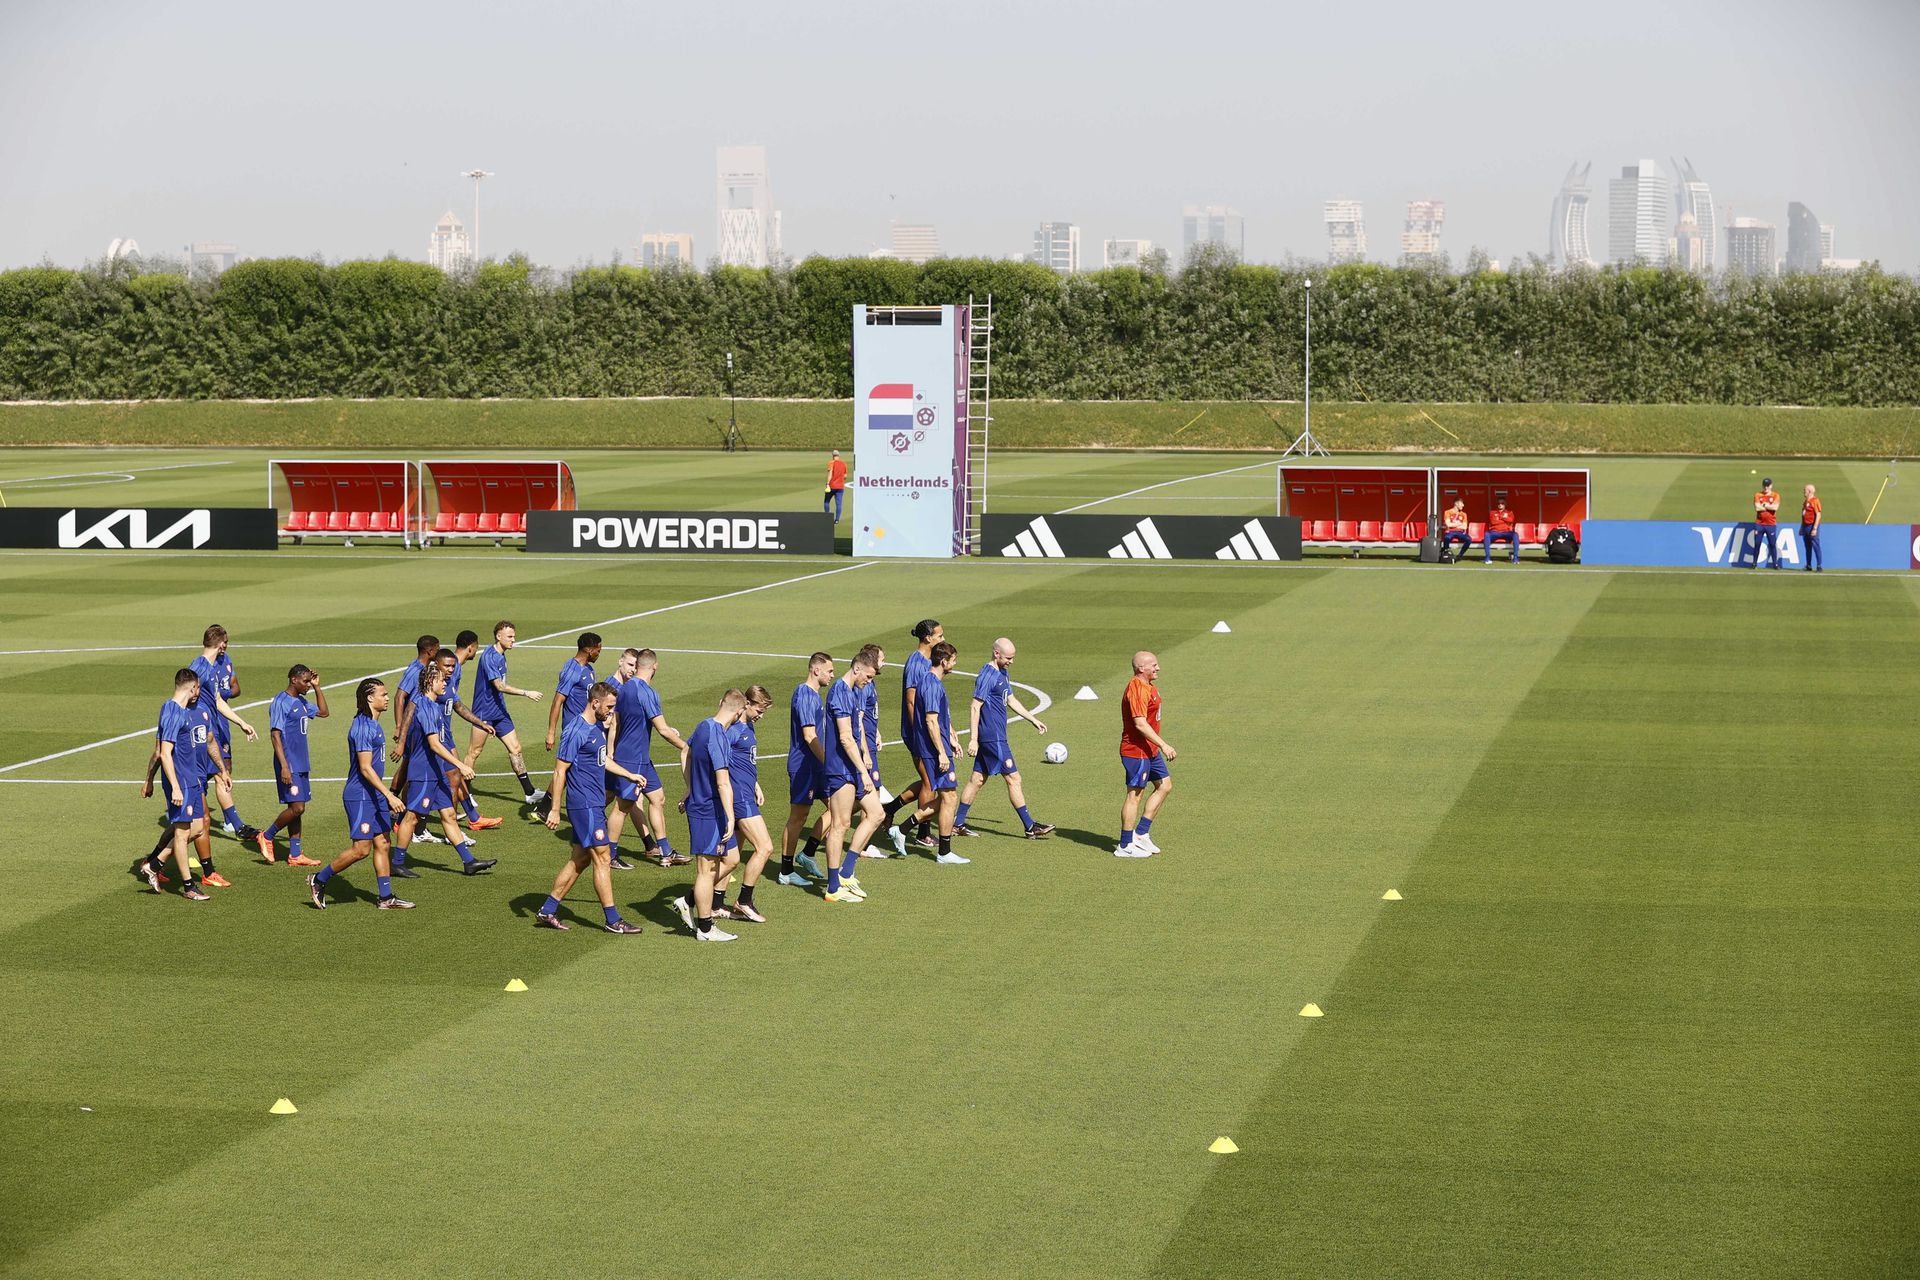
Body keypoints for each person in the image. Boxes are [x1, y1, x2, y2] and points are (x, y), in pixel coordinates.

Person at [536, 681, 646, 934]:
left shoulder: (595, 726)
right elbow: (559, 771)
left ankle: (548, 909)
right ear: (595, 702)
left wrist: (629, 775)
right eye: (609, 706)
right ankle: (613, 920)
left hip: (593, 801)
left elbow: (603, 759)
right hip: (583, 804)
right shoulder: (576, 730)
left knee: (581, 858)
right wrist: (554, 809)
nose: (611, 711)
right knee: (604, 857)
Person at [307, 677, 414, 910]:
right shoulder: (363, 727)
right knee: (361, 849)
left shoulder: (374, 724)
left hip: (373, 794)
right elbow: (365, 768)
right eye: (383, 695)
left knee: (383, 843)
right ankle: (319, 879)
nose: (387, 698)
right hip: (361, 795)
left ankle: (385, 898)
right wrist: (390, 795)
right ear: (369, 698)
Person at [390, 662, 494, 878]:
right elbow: (435, 744)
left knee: (448, 814)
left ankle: (469, 861)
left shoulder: (431, 704)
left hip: (435, 770)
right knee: (412, 817)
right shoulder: (425, 707)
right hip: (424, 773)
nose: (445, 682)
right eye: (441, 680)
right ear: (430, 682)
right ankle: (397, 863)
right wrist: (460, 765)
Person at [954, 638, 1055, 839]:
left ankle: (957, 824)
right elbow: (975, 706)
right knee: (1014, 778)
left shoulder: (1002, 672)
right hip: (993, 738)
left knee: (977, 779)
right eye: (1008, 658)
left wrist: (1033, 719)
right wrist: (973, 739)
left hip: (995, 736)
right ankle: (1029, 826)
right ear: (996, 653)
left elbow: (1010, 699)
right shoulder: (987, 675)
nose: (1011, 661)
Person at [130, 668, 217, 901]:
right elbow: (164, 753)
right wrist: (175, 787)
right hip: (181, 782)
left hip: (191, 779)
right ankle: (189, 887)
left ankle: (154, 865)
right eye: (197, 688)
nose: (199, 692)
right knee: (182, 833)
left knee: (197, 828)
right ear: (192, 688)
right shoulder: (173, 711)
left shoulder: (175, 710)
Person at [670, 691, 748, 941]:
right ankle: (705, 928)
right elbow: (723, 783)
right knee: (706, 869)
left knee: (732, 858)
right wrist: (731, 817)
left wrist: (690, 786)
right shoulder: (718, 738)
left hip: (707, 805)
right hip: (707, 810)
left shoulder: (704, 725)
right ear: (738, 713)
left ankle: (689, 900)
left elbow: (686, 753)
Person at [606, 648, 691, 869]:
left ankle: (665, 851)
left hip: (638, 757)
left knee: (658, 798)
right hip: (632, 759)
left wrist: (611, 751)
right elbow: (662, 729)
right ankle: (610, 856)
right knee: (623, 806)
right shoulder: (647, 692)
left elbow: (616, 723)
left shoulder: (623, 689)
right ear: (655, 666)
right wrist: (687, 747)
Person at [781, 652, 856, 899]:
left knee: (840, 808)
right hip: (805, 766)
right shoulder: (804, 694)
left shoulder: (814, 696)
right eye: (830, 671)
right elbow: (809, 735)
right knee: (799, 816)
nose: (832, 675)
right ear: (816, 670)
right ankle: (786, 869)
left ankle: (809, 852)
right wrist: (828, 761)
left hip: (819, 766)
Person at [190, 624, 261, 843]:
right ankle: (158, 859)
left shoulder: (210, 669)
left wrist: (242, 722)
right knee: (199, 795)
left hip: (210, 733)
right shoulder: (199, 668)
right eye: (226, 643)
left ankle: (237, 826)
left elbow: (218, 701)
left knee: (222, 775)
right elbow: (184, 698)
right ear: (221, 644)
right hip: (199, 737)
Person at [465, 620, 546, 811]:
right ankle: (465, 794)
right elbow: (499, 686)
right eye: (509, 636)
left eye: (514, 636)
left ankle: (529, 792)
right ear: (498, 636)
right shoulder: (489, 657)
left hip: (500, 712)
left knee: (515, 748)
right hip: (484, 712)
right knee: (474, 752)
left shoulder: (501, 656)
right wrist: (526, 693)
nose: (513, 640)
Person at [821, 651, 880, 897]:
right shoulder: (840, 692)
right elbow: (845, 737)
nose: (868, 681)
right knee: (840, 825)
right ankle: (833, 888)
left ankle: (846, 872)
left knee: (877, 814)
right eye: (867, 676)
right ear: (856, 669)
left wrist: (866, 754)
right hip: (840, 769)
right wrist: (863, 772)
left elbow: (857, 731)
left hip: (853, 767)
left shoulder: (855, 692)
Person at [714, 685, 775, 923]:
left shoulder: (748, 725)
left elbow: (744, 761)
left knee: (732, 856)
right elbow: (720, 763)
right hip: (739, 798)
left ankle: (717, 903)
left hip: (746, 793)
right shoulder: (733, 730)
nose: (761, 715)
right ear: (746, 704)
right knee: (765, 847)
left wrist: (756, 784)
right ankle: (744, 900)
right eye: (759, 709)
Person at [258, 664, 329, 867]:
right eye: (306, 681)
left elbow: (324, 712)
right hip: (289, 763)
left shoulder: (302, 701)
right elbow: (275, 735)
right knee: (297, 808)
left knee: (297, 808)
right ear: (294, 680)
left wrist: (316, 687)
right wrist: (284, 766)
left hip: (302, 762)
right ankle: (267, 835)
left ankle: (295, 854)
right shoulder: (281, 702)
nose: (307, 684)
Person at [880, 620, 942, 849]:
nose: (942, 640)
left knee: (930, 780)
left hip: (922, 732)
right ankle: (923, 833)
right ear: (927, 638)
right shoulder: (917, 664)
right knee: (929, 782)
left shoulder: (925, 661)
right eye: (939, 636)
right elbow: (911, 700)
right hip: (918, 733)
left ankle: (890, 808)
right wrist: (920, 732)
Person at [439, 631, 503, 831]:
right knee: (431, 777)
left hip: (444, 730)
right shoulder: (454, 669)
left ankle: (473, 818)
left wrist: (479, 722)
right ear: (471, 647)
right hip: (437, 731)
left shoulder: (453, 668)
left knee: (454, 774)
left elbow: (454, 702)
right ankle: (406, 820)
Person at [848, 643, 906, 861]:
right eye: (882, 659)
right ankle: (865, 845)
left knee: (866, 797)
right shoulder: (863, 687)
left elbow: (868, 717)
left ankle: (861, 841)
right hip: (866, 748)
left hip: (871, 743)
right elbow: (859, 720)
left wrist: (877, 731)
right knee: (870, 795)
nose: (885, 662)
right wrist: (866, 751)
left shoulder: (869, 685)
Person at [915, 641, 970, 866]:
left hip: (938, 747)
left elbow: (940, 720)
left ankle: (903, 828)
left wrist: (952, 740)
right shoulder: (931, 684)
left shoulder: (933, 682)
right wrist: (941, 753)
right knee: (949, 797)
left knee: (947, 797)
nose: (955, 664)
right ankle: (944, 852)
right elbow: (930, 721)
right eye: (953, 660)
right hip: (932, 750)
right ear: (944, 661)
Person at [1116, 651, 1175, 857]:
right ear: (1141, 668)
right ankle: (1125, 845)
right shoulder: (1137, 689)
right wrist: (1164, 745)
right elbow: (1140, 723)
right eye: (1154, 665)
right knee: (1135, 795)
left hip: (1149, 749)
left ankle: (1141, 834)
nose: (1158, 668)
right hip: (1136, 751)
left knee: (1165, 785)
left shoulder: (1148, 686)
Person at [1750, 477, 1782, 568]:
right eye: (1764, 485)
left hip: (1771, 524)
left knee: (1772, 544)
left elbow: (1775, 508)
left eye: (1768, 485)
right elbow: (1757, 508)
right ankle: (1754, 563)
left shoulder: (1776, 495)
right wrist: (1768, 506)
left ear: (1771, 486)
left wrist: (1764, 505)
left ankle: (1775, 563)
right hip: (1759, 524)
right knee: (1757, 543)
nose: (1766, 487)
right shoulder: (1758, 495)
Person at [1483, 497, 1519, 564]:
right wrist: (1505, 519)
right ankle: (1487, 558)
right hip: (1495, 532)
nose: (1500, 504)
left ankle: (1515, 558)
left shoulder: (1509, 512)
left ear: (1505, 504)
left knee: (1515, 534)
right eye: (1499, 503)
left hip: (1506, 532)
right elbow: (1493, 522)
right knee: (1487, 534)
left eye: (1502, 503)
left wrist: (1501, 517)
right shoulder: (1492, 512)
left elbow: (1511, 520)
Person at [1801, 484, 1823, 572]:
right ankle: (1808, 565)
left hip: (1812, 526)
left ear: (1809, 491)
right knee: (1807, 547)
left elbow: (1818, 515)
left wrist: (1815, 528)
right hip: (1806, 526)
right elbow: (1803, 515)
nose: (1803, 491)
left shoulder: (1815, 501)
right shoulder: (1805, 502)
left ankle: (1819, 565)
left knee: (1815, 545)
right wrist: (1802, 527)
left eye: (1805, 490)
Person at [823, 449, 849, 523]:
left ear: (832, 456)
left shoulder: (831, 463)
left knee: (826, 501)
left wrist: (828, 483)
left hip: (832, 486)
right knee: (839, 503)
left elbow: (830, 473)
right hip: (840, 486)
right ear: (839, 455)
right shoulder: (844, 464)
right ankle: (837, 519)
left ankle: (827, 517)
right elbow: (845, 476)